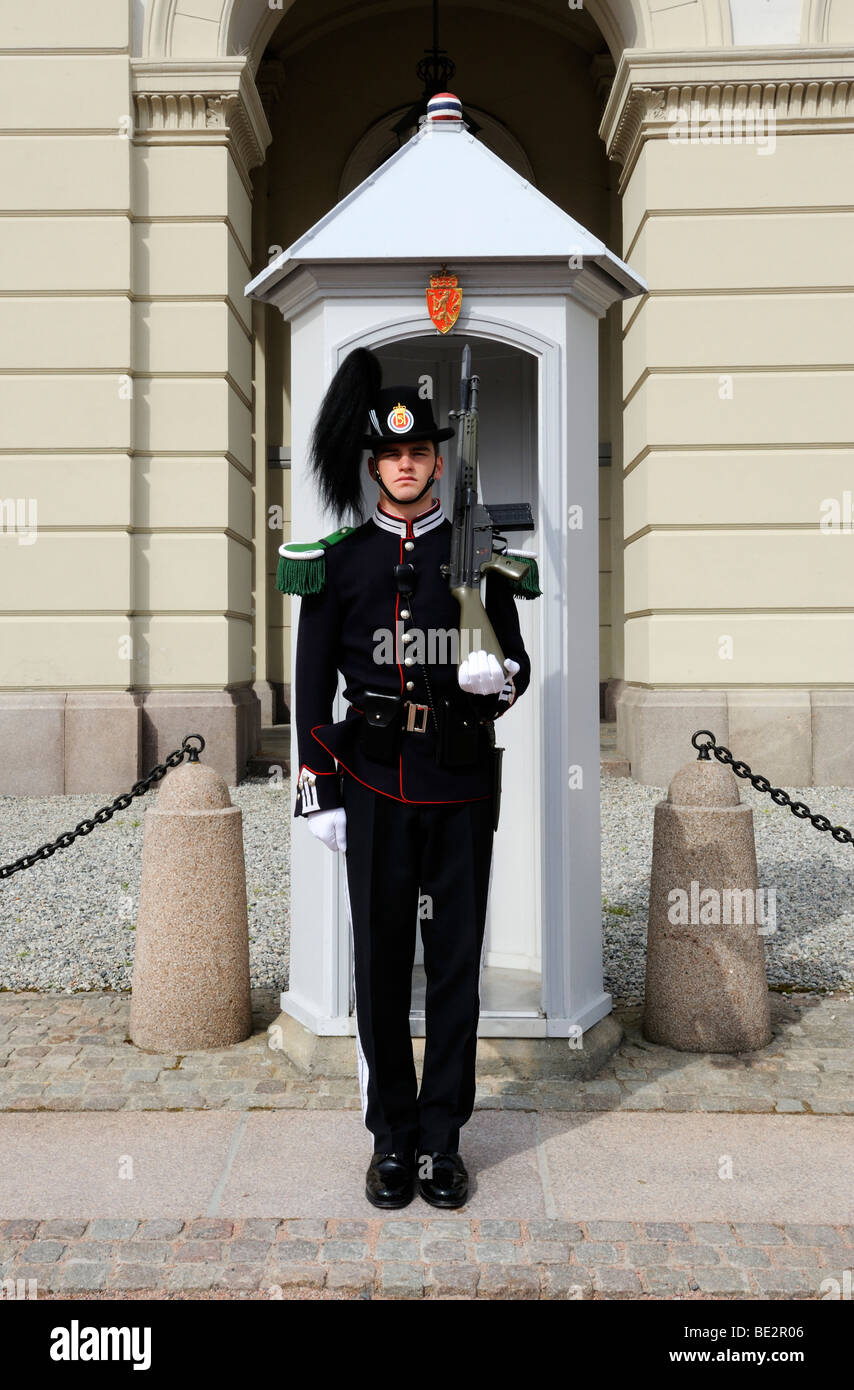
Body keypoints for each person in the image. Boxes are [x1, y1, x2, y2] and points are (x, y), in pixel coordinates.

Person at [278, 348, 540, 1209]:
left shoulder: (478, 553)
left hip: (460, 782)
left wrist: (495, 681)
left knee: (457, 967)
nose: (405, 464)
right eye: (392, 455)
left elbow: (517, 665)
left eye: (419, 453)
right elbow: (312, 681)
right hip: (375, 784)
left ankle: (444, 1139)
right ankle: (391, 1139)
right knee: (382, 965)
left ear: (435, 460)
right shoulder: (340, 558)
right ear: (374, 464)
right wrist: (317, 781)